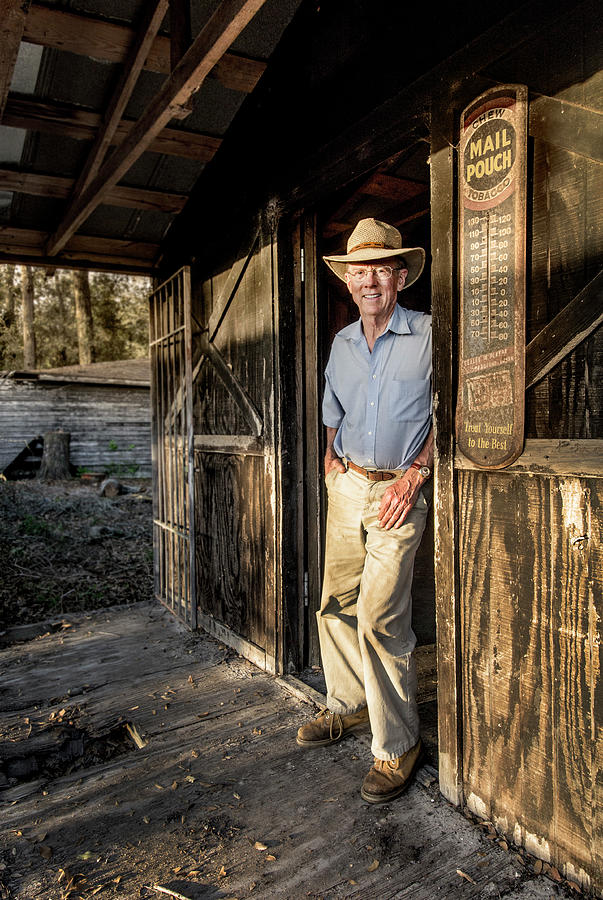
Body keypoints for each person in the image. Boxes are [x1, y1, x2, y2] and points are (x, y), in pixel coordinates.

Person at [296, 217, 433, 804]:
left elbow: (454, 414)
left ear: (399, 277)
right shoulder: (342, 343)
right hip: (348, 484)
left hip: (401, 489)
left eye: (381, 268)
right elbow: (333, 409)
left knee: (379, 615)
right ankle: (348, 706)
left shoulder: (430, 334)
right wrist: (330, 461)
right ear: (347, 281)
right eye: (359, 270)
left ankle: (397, 745)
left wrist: (418, 473)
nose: (369, 279)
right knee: (335, 602)